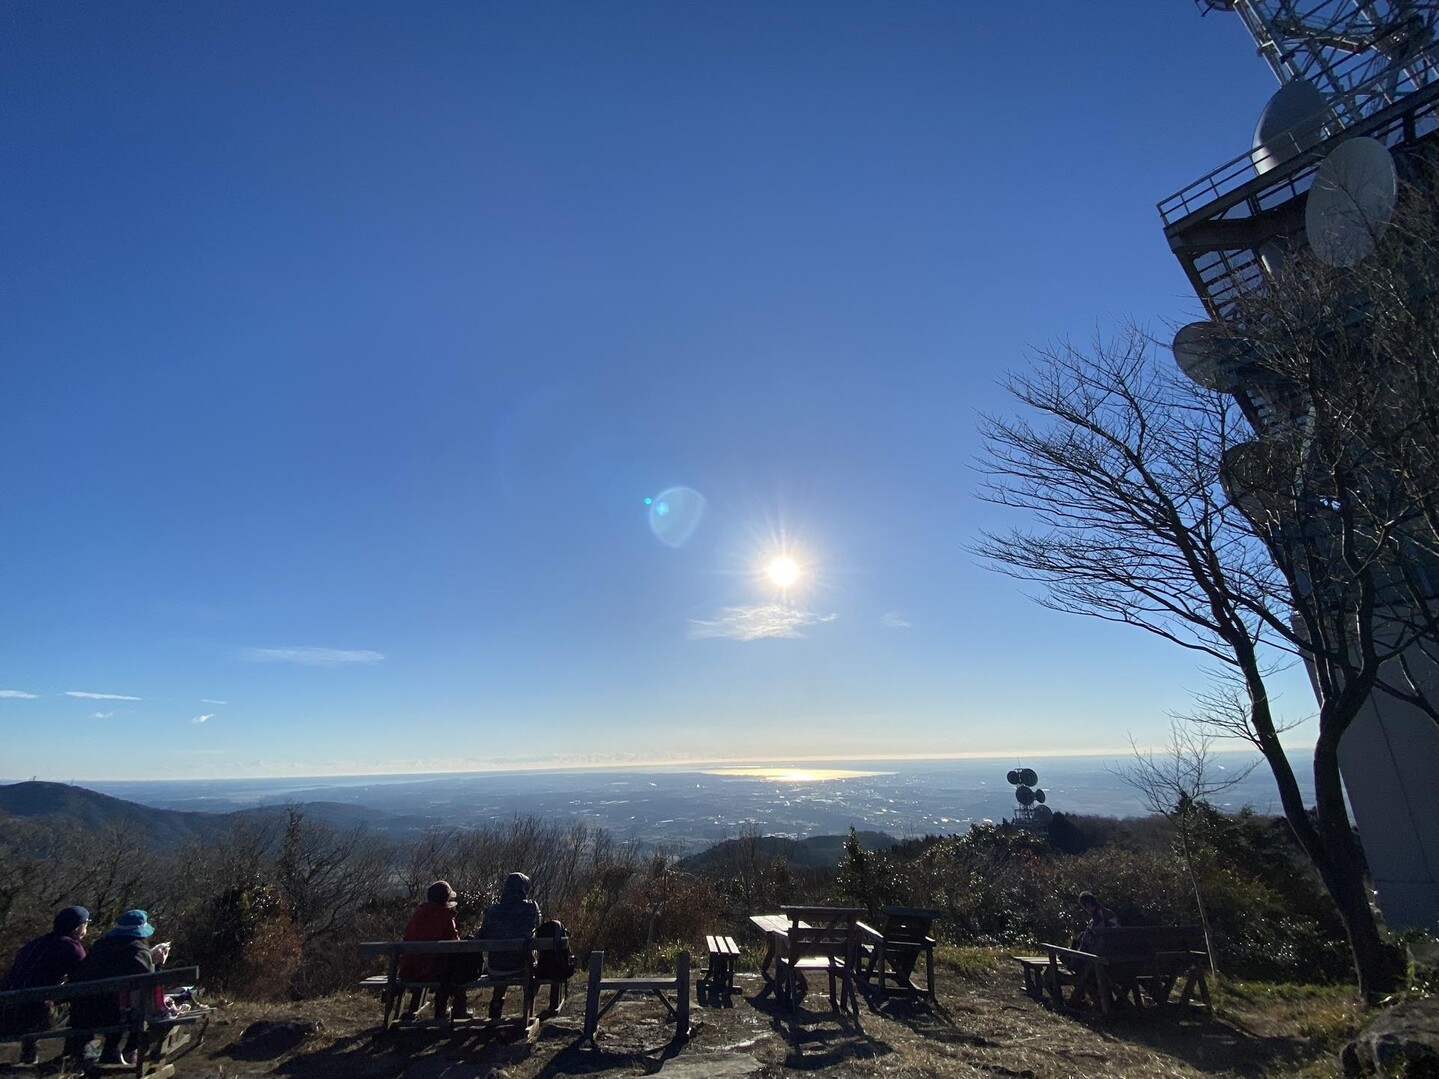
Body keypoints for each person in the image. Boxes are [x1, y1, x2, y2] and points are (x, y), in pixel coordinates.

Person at [67, 910, 170, 1066]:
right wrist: (159, 964)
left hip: (84, 1013)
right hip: (118, 1015)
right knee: (140, 1008)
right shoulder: (139, 952)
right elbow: (150, 988)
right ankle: (128, 1050)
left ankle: (109, 1051)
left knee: (115, 1003)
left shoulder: (99, 947)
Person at [1, 905, 90, 1065]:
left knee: (35, 1001)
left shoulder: (35, 944)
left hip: (7, 1013)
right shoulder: (72, 947)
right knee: (83, 1003)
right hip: (35, 1016)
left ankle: (29, 1053)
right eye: (86, 923)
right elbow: (85, 981)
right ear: (78, 927)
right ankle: (79, 1054)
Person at [399, 881, 468, 1021]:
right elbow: (455, 942)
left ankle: (415, 1008)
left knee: (426, 959)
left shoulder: (418, 913)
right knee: (455, 968)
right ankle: (453, 1009)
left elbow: (407, 936)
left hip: (409, 970)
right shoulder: (445, 916)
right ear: (445, 899)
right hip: (433, 972)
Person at [477, 872, 541, 1019]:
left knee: (502, 964)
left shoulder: (493, 910)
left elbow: (482, 935)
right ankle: (528, 1008)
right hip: (522, 966)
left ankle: (496, 1007)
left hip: (496, 967)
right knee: (534, 969)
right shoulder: (531, 907)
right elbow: (537, 927)